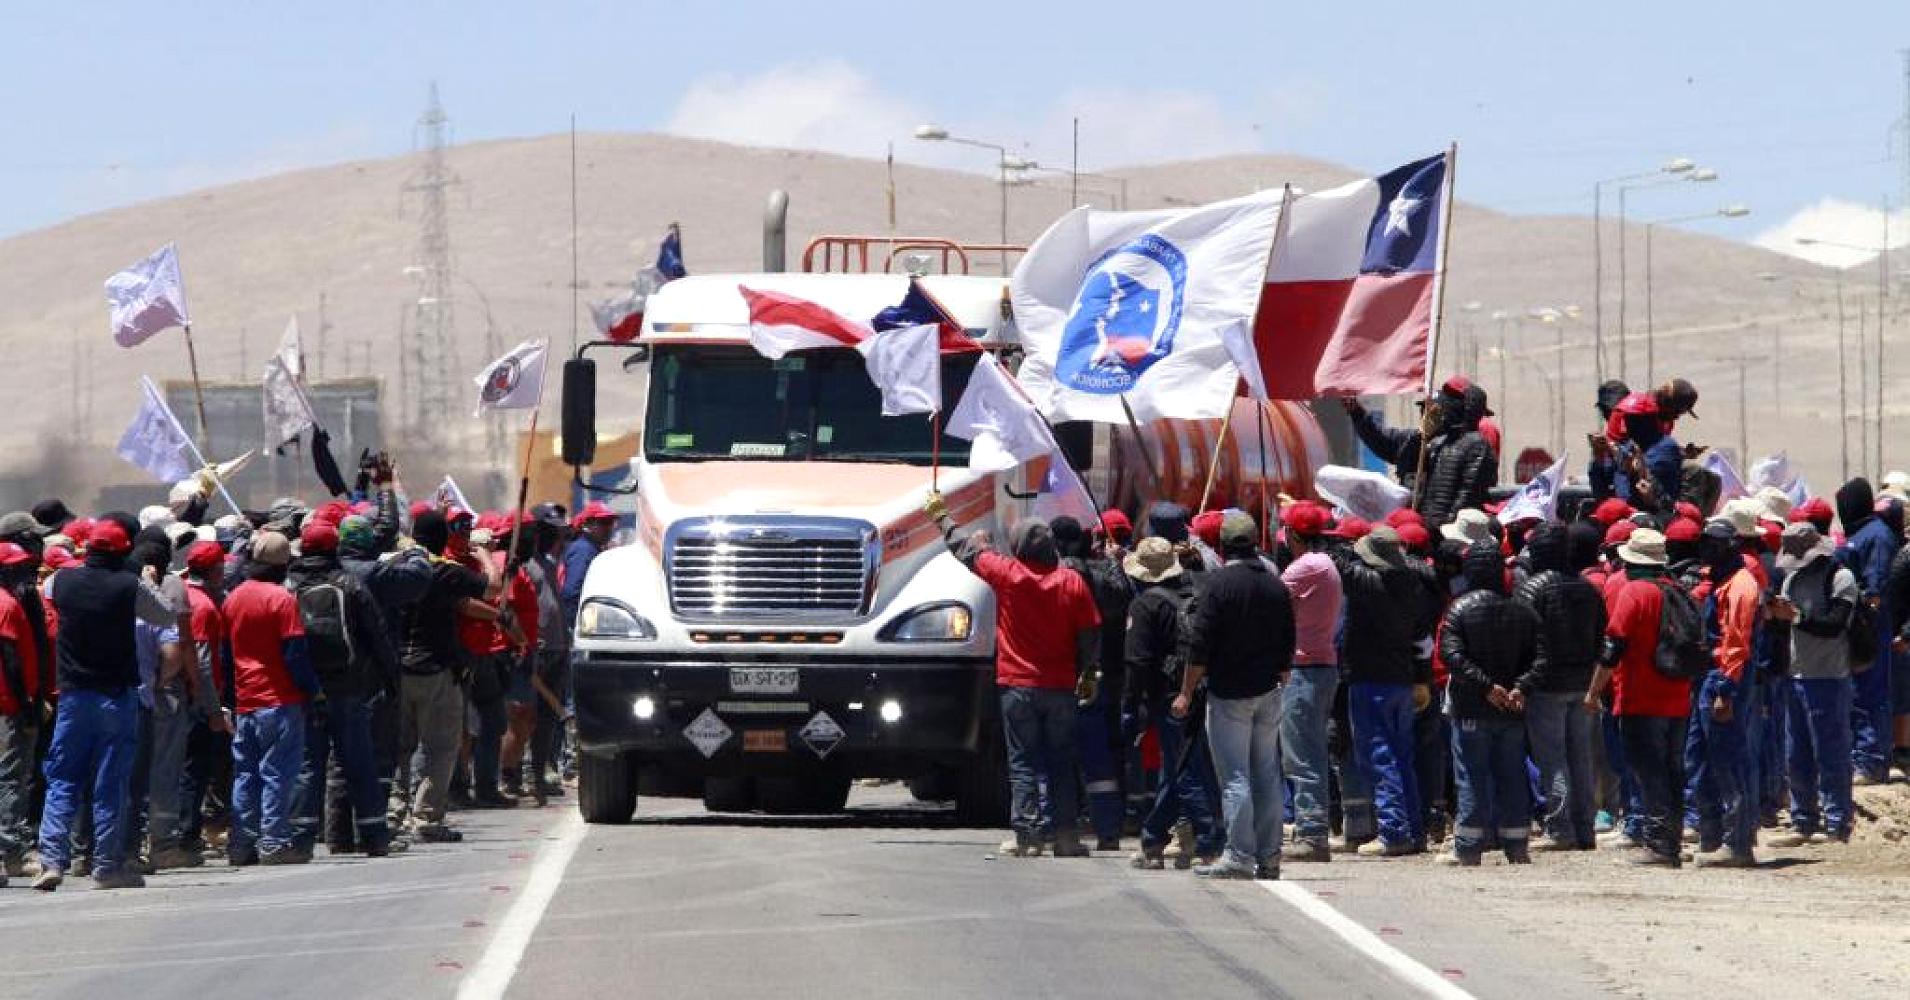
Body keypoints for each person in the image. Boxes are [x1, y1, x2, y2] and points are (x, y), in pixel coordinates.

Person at [926, 494, 1100, 858]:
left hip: (1017, 685)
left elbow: (965, 551)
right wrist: (1086, 673)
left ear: (1019, 547)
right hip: (1060, 685)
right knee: (1061, 762)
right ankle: (1066, 836)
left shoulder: (1009, 575)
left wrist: (942, 517)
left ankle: (1028, 836)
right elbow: (1089, 636)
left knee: (1022, 763)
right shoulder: (1072, 582)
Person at [35, 516, 183, 891]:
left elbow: (46, 599)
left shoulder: (59, 582)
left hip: (73, 697)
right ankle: (107, 864)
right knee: (111, 782)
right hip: (116, 697)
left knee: (63, 778)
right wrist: (143, 578)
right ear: (122, 553)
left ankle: (52, 859)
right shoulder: (129, 585)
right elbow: (166, 613)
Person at [1172, 513, 1294, 880]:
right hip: (1269, 690)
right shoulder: (1276, 585)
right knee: (1267, 773)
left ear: (1223, 546)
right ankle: (1270, 856)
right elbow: (1288, 639)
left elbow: (1200, 644)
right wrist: (1280, 677)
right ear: (1256, 542)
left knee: (1236, 777)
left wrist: (1185, 691)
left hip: (1230, 694)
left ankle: (1240, 854)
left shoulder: (1220, 585)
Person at [287, 520, 401, 857]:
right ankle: (375, 836)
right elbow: (376, 634)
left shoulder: (289, 586)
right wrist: (390, 679)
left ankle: (301, 840)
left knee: (308, 766)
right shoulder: (349, 584)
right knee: (359, 762)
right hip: (349, 688)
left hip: (305, 690)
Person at [1588, 528, 1692, 867]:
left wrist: (1593, 691)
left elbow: (1612, 645)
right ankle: (1672, 840)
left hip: (1641, 698)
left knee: (1649, 773)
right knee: (1673, 771)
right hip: (1678, 696)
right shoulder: (1679, 590)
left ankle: (1658, 845)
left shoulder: (1635, 592)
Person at [1333, 525, 1436, 856]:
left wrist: (1346, 544)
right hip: (1401, 679)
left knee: (1379, 757)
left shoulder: (1367, 582)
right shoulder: (1414, 585)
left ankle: (1393, 831)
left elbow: (1338, 562)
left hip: (1370, 679)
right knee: (1402, 755)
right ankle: (1413, 828)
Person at [1439, 539, 1541, 865]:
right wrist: (1519, 688)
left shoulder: (1459, 608)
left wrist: (1486, 686)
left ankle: (1468, 846)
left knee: (1471, 775)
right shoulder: (1522, 610)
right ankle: (1517, 845)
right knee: (1512, 774)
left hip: (1471, 705)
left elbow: (1452, 655)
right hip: (1511, 708)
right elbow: (1540, 657)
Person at [393, 511, 493, 843]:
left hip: (398, 669)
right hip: (436, 669)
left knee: (400, 746)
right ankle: (426, 817)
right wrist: (485, 557)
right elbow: (492, 588)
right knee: (441, 746)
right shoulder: (445, 572)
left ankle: (393, 811)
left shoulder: (394, 568)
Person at [1123, 537, 1221, 869]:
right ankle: (1153, 839)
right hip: (1204, 688)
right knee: (1181, 768)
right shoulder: (1199, 591)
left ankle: (1208, 840)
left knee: (1184, 773)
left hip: (1169, 697)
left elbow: (1137, 663)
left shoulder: (1146, 605)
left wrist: (1132, 707)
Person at [224, 532, 317, 866]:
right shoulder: (282, 599)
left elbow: (225, 652)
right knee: (277, 773)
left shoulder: (233, 597)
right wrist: (310, 690)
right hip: (278, 698)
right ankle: (274, 842)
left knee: (245, 774)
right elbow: (294, 652)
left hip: (245, 699)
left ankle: (241, 843)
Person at [1514, 522, 1608, 851]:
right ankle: (1585, 829)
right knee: (1581, 758)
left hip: (1545, 686)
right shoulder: (1588, 590)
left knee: (1552, 759)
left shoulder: (1532, 589)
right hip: (1583, 685)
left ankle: (1559, 828)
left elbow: (1522, 640)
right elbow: (1601, 640)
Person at [1771, 523, 1857, 846]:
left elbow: (1835, 624)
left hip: (1828, 677)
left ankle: (1837, 822)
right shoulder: (1792, 579)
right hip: (1796, 676)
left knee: (1831, 752)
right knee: (1797, 754)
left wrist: (1796, 617)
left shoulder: (1840, 578)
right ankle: (1803, 819)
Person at [1687, 519, 1763, 868]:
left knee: (1728, 760)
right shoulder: (1722, 581)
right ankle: (1712, 835)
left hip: (1725, 677)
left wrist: (1726, 691)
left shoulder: (1740, 586)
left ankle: (1738, 842)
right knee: (1700, 757)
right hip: (1710, 675)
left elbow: (1737, 641)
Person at [1053, 515, 1131, 851]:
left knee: (1054, 755)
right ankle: (1108, 829)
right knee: (1101, 759)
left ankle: (1055, 827)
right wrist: (1113, 562)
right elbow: (1124, 594)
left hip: (1056, 678)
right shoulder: (1104, 577)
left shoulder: (1047, 578)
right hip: (1101, 678)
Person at [1275, 502, 1343, 863]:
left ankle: (1313, 832)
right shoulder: (1325, 564)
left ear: (1294, 535)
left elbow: (1271, 601)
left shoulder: (1305, 567)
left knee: (1302, 753)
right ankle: (1313, 828)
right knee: (1310, 749)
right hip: (1319, 666)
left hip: (1305, 668)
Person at [1342, 377, 1498, 528]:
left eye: (1435, 411)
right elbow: (1385, 444)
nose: (1428, 415)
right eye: (1426, 410)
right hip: (1414, 524)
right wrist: (1357, 413)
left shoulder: (1473, 442)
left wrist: (1446, 527)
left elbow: (1468, 492)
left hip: (1448, 529)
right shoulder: (1418, 439)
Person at [1834, 479, 1898, 786]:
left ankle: (1871, 761)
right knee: (1855, 693)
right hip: (1852, 625)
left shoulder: (1877, 535)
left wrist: (1865, 614)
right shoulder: (1859, 534)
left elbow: (1877, 585)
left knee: (1870, 692)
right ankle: (1860, 755)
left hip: (1869, 627)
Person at [176, 541, 232, 862]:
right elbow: (203, 661)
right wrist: (212, 708)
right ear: (214, 571)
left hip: (184, 697)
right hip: (196, 701)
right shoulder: (203, 607)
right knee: (194, 772)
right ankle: (186, 835)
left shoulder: (184, 594)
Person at [519, 504, 573, 806]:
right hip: (536, 649)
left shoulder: (549, 564)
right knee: (528, 716)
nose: (556, 536)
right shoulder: (524, 565)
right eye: (550, 530)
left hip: (557, 649)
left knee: (550, 718)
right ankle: (523, 773)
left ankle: (540, 772)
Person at [0, 542, 46, 884]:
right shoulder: (6, 604)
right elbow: (10, 658)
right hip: (8, 706)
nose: (23, 574)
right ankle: (10, 853)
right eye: (15, 567)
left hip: (10, 703)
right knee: (11, 781)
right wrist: (26, 705)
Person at [560, 502, 618, 628]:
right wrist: (581, 626)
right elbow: (572, 592)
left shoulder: (592, 548)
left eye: (610, 522)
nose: (609, 528)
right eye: (603, 522)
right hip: (578, 621)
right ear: (587, 525)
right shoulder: (583, 549)